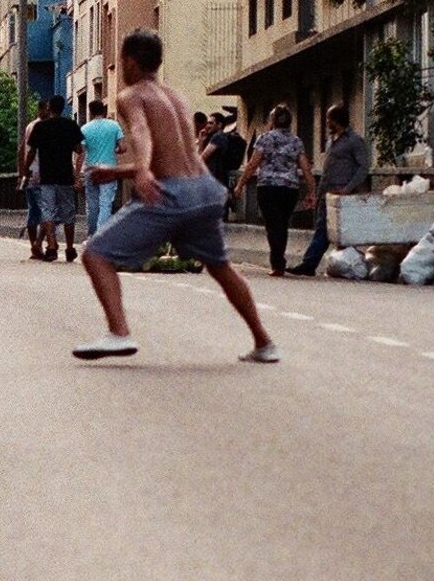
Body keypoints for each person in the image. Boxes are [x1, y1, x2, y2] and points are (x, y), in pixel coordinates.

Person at [74, 30, 276, 364]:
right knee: (221, 268)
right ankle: (264, 342)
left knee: (95, 254)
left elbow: (139, 130)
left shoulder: (131, 95)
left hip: (172, 195)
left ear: (130, 61)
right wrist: (126, 171)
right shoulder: (176, 97)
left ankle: (119, 332)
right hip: (206, 191)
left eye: (121, 58)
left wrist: (138, 169)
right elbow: (175, 155)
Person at [295, 103, 374, 276]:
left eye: (329, 119)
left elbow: (363, 167)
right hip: (327, 192)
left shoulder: (354, 140)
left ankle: (309, 264)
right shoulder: (331, 140)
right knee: (323, 227)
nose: (327, 122)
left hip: (342, 194)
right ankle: (319, 264)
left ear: (337, 120)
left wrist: (348, 189)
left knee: (329, 229)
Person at [243, 104, 309, 275]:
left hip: (268, 187)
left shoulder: (264, 139)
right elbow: (305, 167)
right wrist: (312, 190)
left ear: (272, 120)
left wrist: (240, 184)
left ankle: (277, 264)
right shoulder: (296, 141)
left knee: (273, 225)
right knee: (282, 224)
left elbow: (253, 164)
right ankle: (278, 261)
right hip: (290, 188)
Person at [23, 92, 84, 262]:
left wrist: (26, 169)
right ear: (63, 108)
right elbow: (79, 149)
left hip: (47, 176)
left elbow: (31, 151)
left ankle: (51, 245)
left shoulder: (41, 127)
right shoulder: (71, 125)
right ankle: (70, 247)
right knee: (68, 212)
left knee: (47, 210)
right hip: (65, 175)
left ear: (49, 108)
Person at [79, 95, 126, 239]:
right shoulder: (114, 126)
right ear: (104, 111)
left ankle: (92, 235)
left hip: (91, 169)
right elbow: (123, 147)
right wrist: (114, 150)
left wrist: (77, 173)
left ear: (90, 112)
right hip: (109, 169)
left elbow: (81, 153)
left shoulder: (85, 128)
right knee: (106, 203)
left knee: (92, 205)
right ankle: (101, 236)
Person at [202, 106, 248, 196]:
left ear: (219, 125)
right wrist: (201, 140)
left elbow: (202, 157)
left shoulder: (218, 137)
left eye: (211, 123)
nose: (207, 126)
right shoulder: (220, 137)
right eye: (208, 123)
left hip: (215, 179)